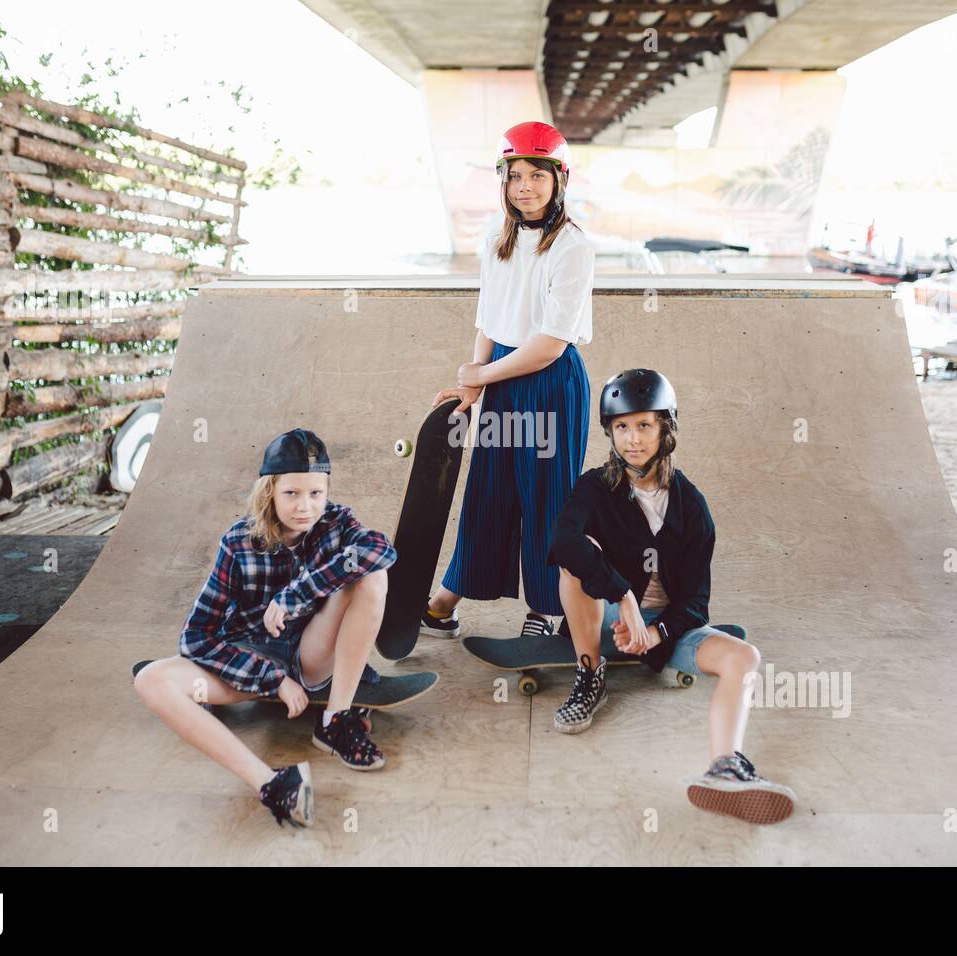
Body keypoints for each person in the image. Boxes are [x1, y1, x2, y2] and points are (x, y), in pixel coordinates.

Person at [546, 369, 796, 825]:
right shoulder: (594, 488)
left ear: (666, 429)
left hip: (663, 630)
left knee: (745, 656)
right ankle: (590, 674)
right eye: (622, 427)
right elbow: (562, 542)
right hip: (600, 620)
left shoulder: (691, 505)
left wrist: (657, 632)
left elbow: (697, 603)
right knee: (577, 557)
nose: (633, 439)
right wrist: (621, 595)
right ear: (610, 432)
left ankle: (726, 767)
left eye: (644, 425)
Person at [133, 429, 396, 829]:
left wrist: (294, 595)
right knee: (151, 679)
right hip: (253, 661)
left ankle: (335, 721)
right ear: (269, 491)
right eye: (291, 493)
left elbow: (381, 550)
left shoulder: (336, 522)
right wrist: (272, 680)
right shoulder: (239, 541)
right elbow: (196, 637)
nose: (305, 507)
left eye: (315, 493)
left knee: (372, 576)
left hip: (313, 653)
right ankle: (275, 784)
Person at [424, 120, 594, 642]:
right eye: (515, 175)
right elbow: (488, 318)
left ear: (559, 179)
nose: (525, 186)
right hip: (502, 374)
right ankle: (446, 602)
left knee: (545, 498)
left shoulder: (571, 247)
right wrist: (472, 386)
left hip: (549, 383)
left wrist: (482, 375)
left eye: (537, 176)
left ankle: (546, 611)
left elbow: (549, 345)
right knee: (489, 492)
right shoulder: (495, 239)